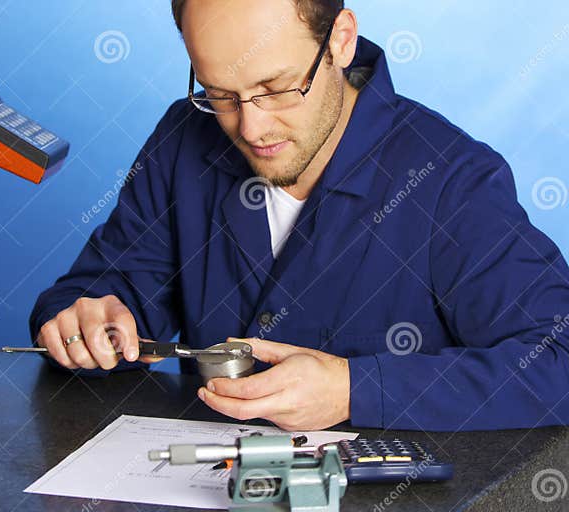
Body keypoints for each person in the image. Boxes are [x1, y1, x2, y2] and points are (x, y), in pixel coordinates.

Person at [30, 0, 569, 431]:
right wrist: (84, 322)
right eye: (221, 95)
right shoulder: (182, 139)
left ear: (339, 39)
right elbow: (99, 291)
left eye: (277, 88)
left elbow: (559, 360)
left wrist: (355, 390)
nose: (251, 128)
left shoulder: (450, 178)